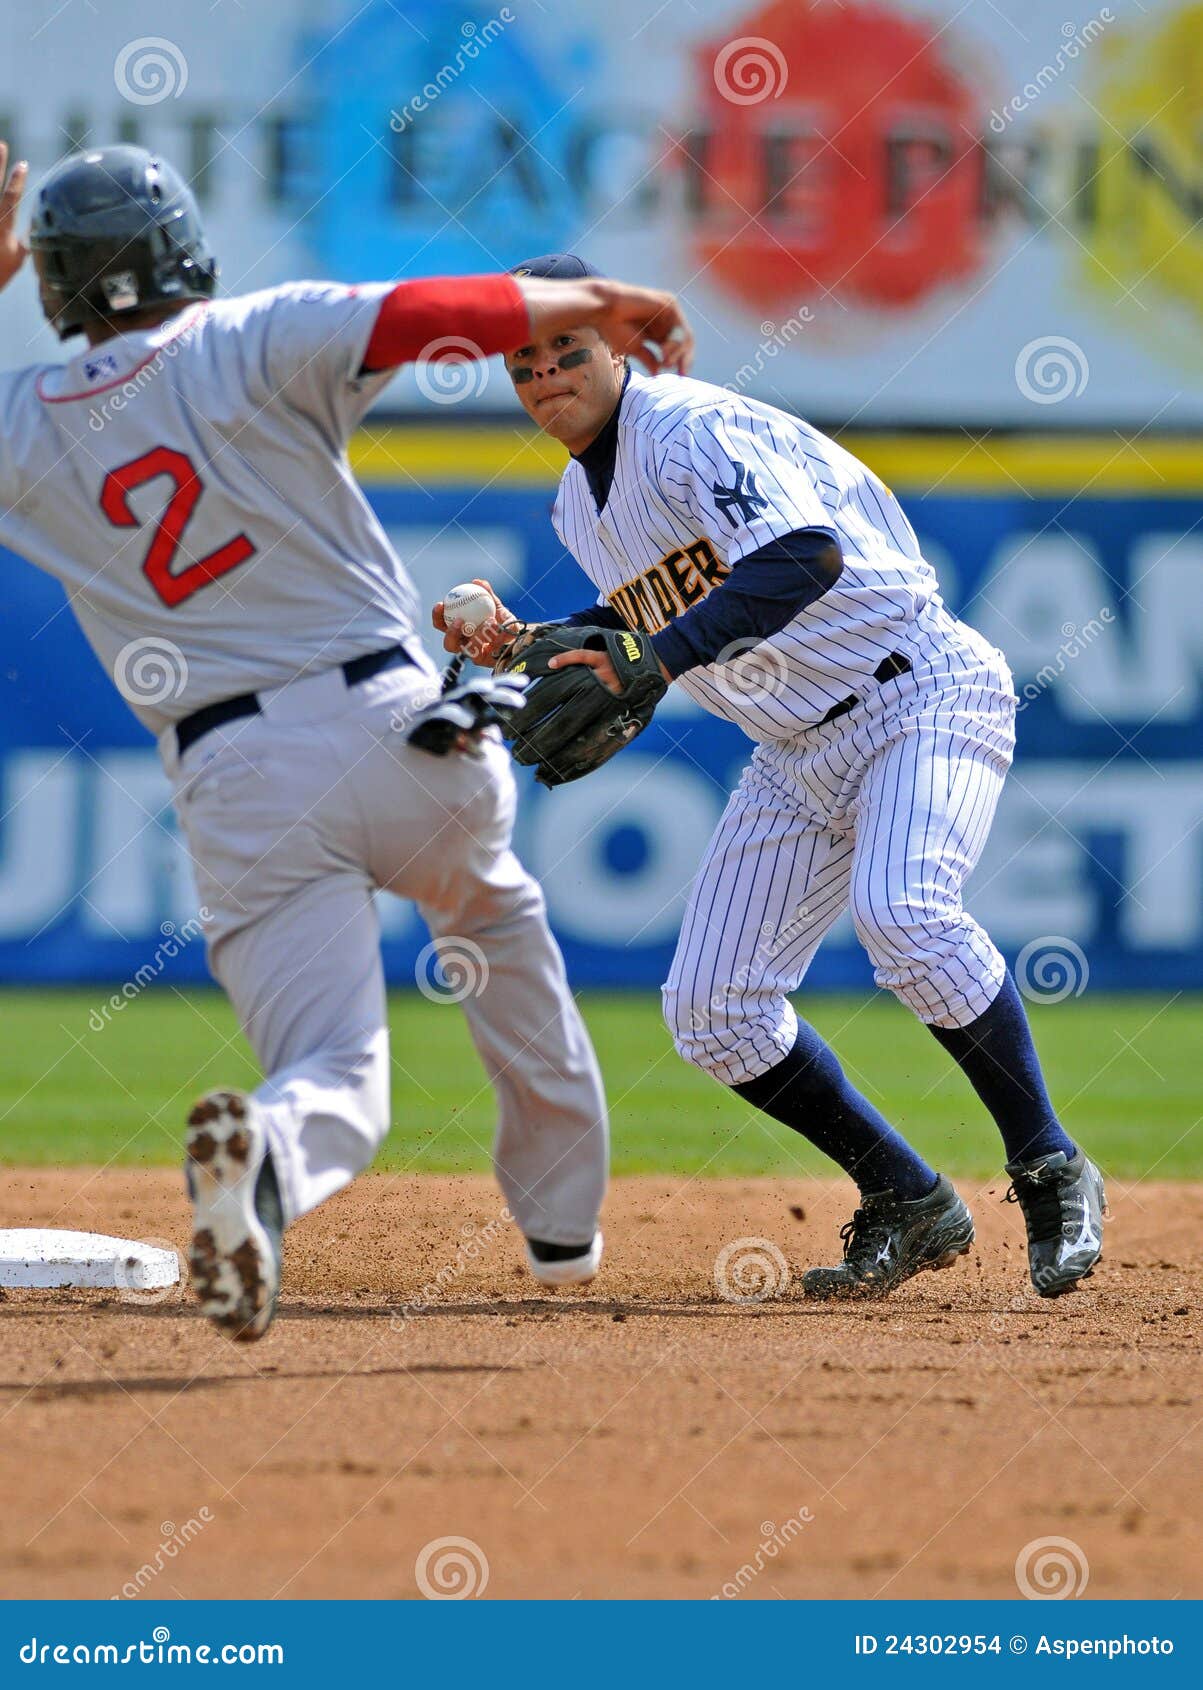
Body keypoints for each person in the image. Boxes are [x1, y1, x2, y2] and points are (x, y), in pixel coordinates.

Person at [0, 148, 693, 1340]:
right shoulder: (249, 337)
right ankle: (561, 1231)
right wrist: (596, 301)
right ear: (184, 251)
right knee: (494, 927)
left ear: (54, 284)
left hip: (234, 774)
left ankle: (273, 1150)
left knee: (336, 1066)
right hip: (398, 730)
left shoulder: (22, 425)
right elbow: (429, 310)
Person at [435, 252, 1105, 1303]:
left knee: (904, 914)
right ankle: (907, 1196)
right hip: (794, 750)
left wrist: (657, 661)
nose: (547, 373)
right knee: (712, 1009)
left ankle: (1049, 1163)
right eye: (526, 361)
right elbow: (650, 615)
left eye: (568, 348)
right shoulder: (577, 502)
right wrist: (526, 641)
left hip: (915, 689)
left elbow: (803, 557)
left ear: (617, 348)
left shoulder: (688, 429)